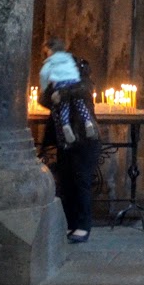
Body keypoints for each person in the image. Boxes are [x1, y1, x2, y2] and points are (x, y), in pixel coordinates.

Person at [40, 36, 99, 243]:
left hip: (83, 137)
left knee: (81, 179)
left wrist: (61, 94)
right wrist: (53, 96)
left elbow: (83, 91)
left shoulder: (80, 73)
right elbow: (44, 97)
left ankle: (83, 225)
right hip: (64, 138)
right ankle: (70, 223)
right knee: (66, 181)